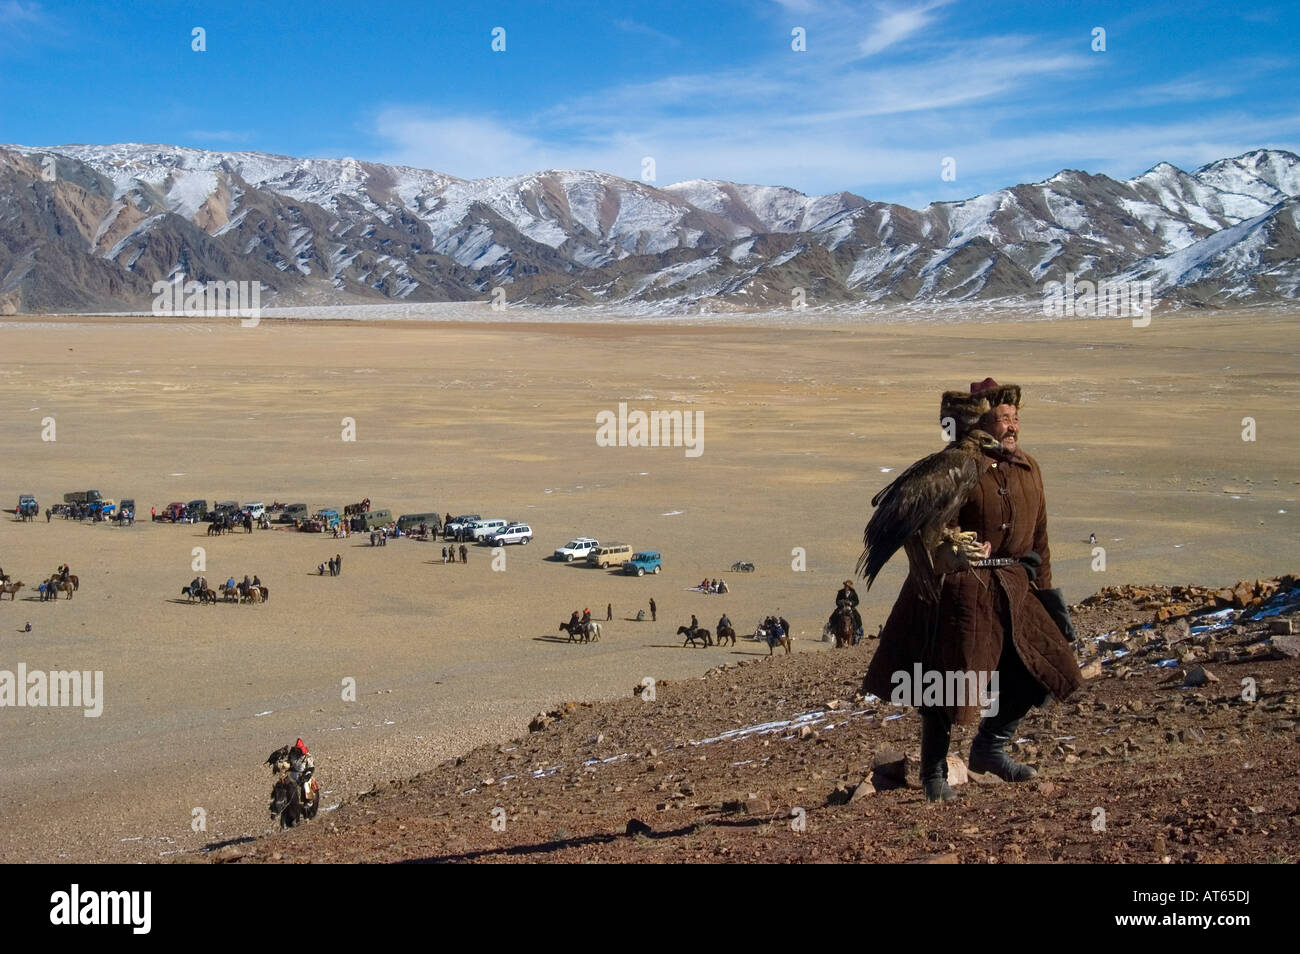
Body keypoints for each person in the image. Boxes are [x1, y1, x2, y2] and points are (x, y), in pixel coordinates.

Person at [862, 378, 1081, 802]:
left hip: (1016, 588)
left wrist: (1048, 596)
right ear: (983, 423)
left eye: (1016, 418)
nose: (1013, 426)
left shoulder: (1029, 468)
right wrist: (951, 549)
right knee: (948, 683)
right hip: (964, 590)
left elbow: (1040, 540)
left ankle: (990, 748)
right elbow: (928, 533)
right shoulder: (960, 466)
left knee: (1044, 670)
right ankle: (932, 773)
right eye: (1003, 419)